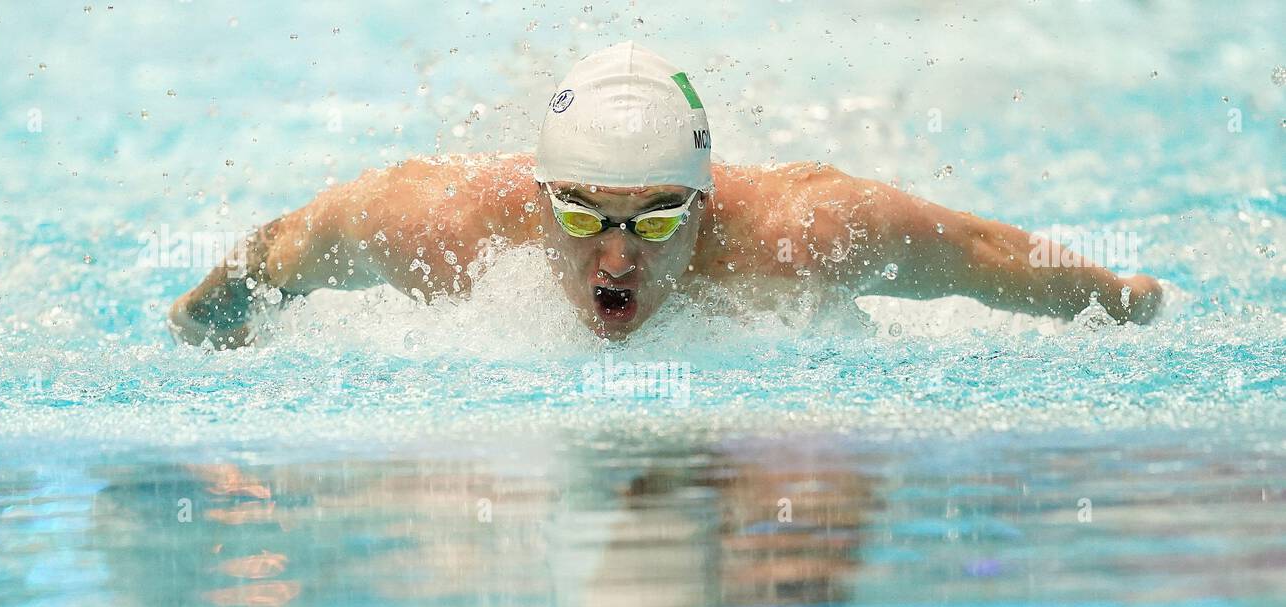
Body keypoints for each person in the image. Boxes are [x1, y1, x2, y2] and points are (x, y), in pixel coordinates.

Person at [169, 42, 1163, 348]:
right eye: (580, 214)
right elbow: (293, 243)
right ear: (541, 192)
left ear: (704, 202)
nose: (614, 257)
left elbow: (987, 256)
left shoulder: (800, 232)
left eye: (651, 217)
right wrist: (208, 311)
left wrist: (1120, 300)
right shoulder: (446, 229)